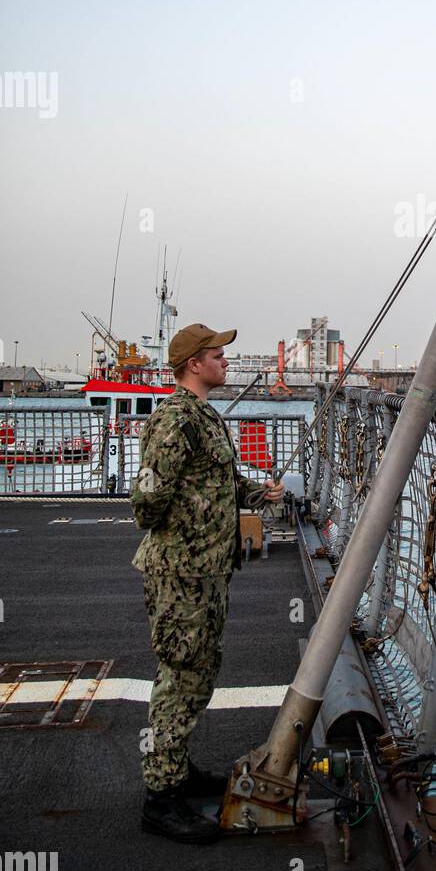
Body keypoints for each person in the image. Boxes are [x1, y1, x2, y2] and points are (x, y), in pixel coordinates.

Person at [130, 322, 284, 844]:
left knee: (199, 672)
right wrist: (183, 534)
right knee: (178, 675)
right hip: (181, 573)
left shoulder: (203, 417)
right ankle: (160, 798)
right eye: (218, 355)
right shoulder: (175, 419)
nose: (226, 361)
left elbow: (216, 482)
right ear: (194, 363)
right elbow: (147, 498)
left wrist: (258, 493)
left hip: (207, 572)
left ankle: (178, 771)